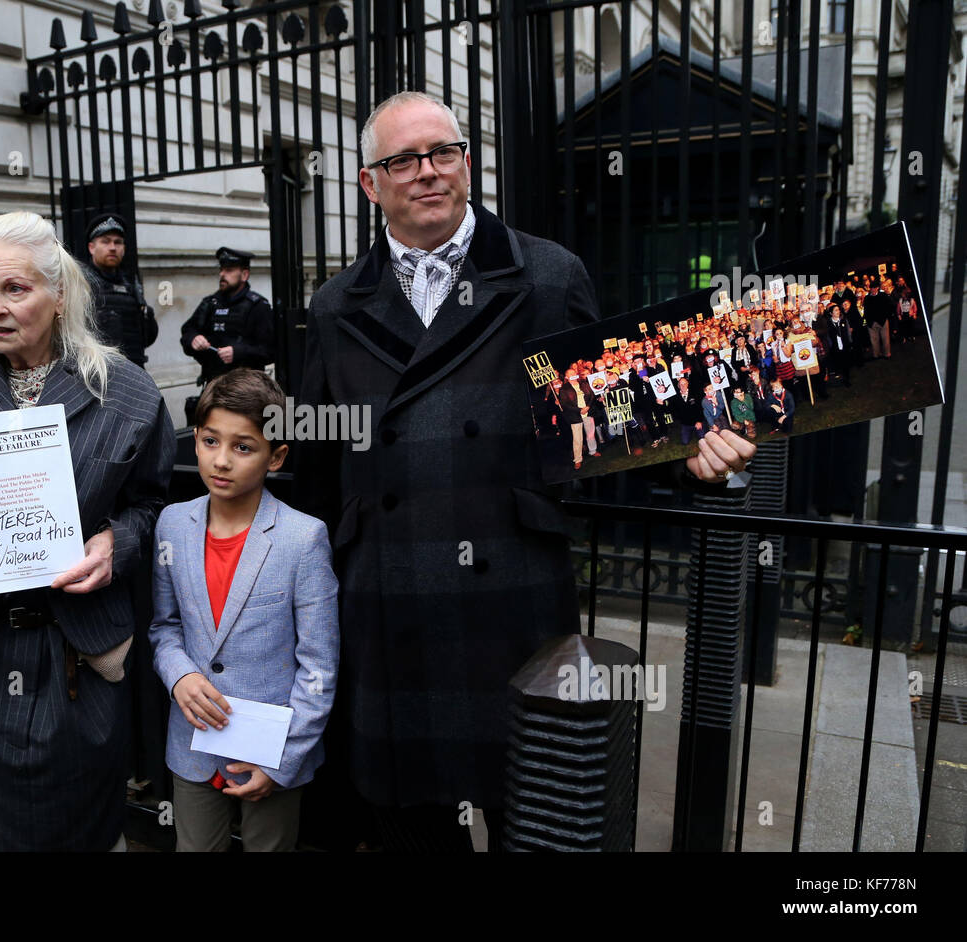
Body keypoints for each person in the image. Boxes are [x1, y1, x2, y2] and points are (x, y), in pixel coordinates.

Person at [294, 90, 754, 853]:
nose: (428, 172)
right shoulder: (337, 304)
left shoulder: (547, 275)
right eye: (403, 159)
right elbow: (316, 461)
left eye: (444, 152)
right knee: (410, 819)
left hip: (510, 587)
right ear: (370, 183)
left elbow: (608, 424)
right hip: (387, 596)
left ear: (468, 164)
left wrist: (692, 459)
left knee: (536, 810)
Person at [0, 211, 176, 852]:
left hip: (83, 646)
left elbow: (153, 505)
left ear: (60, 293)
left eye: (15, 289)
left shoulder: (122, 391)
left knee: (84, 825)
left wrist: (116, 545)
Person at [148, 369, 338, 852]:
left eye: (243, 447)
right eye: (211, 441)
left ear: (276, 457)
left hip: (270, 748)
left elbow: (318, 664)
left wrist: (284, 758)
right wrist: (180, 676)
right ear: (195, 441)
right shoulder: (172, 524)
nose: (222, 460)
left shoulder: (303, 537)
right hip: (192, 743)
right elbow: (164, 627)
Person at [180, 247, 276, 423]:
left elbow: (270, 350)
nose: (222, 274)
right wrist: (194, 339)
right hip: (213, 388)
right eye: (221, 269)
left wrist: (238, 352)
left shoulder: (258, 306)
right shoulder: (210, 303)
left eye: (229, 270)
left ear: (244, 275)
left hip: (247, 393)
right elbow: (187, 331)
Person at [85, 212, 159, 368]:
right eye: (105, 242)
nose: (112, 248)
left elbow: (147, 337)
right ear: (92, 247)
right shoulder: (80, 283)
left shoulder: (132, 286)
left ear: (124, 248)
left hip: (134, 370)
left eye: (117, 242)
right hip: (97, 371)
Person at [557, 368, 600, 469]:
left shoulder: (583, 383)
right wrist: (579, 410)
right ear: (567, 377)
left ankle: (593, 451)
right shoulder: (564, 388)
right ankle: (577, 459)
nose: (573, 374)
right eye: (570, 374)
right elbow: (565, 404)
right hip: (575, 416)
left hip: (587, 412)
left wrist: (588, 407)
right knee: (577, 438)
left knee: (590, 434)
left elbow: (592, 395)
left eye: (574, 373)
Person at [823, 303, 853, 387]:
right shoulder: (828, 323)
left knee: (846, 363)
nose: (838, 312)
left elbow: (848, 332)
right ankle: (840, 378)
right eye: (835, 310)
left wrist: (849, 342)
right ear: (831, 313)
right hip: (835, 347)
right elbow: (828, 336)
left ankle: (847, 379)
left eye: (838, 310)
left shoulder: (843, 320)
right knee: (838, 362)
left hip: (845, 345)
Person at [671, 376, 705, 444]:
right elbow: (671, 410)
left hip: (696, 422)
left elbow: (700, 408)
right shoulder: (675, 397)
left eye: (684, 383)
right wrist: (661, 404)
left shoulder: (695, 394)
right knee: (685, 442)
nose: (683, 386)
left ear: (687, 384)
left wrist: (699, 421)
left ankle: (698, 429)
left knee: (702, 437)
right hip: (686, 424)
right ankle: (689, 432)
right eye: (681, 384)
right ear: (678, 386)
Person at [865, 281, 894, 359]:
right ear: (869, 289)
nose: (873, 289)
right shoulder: (867, 298)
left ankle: (887, 354)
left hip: (883, 320)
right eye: (871, 288)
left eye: (874, 288)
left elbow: (890, 305)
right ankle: (876, 354)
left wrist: (886, 316)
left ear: (877, 288)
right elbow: (866, 310)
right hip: (872, 322)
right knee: (874, 340)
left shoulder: (883, 295)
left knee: (885, 339)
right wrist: (869, 321)